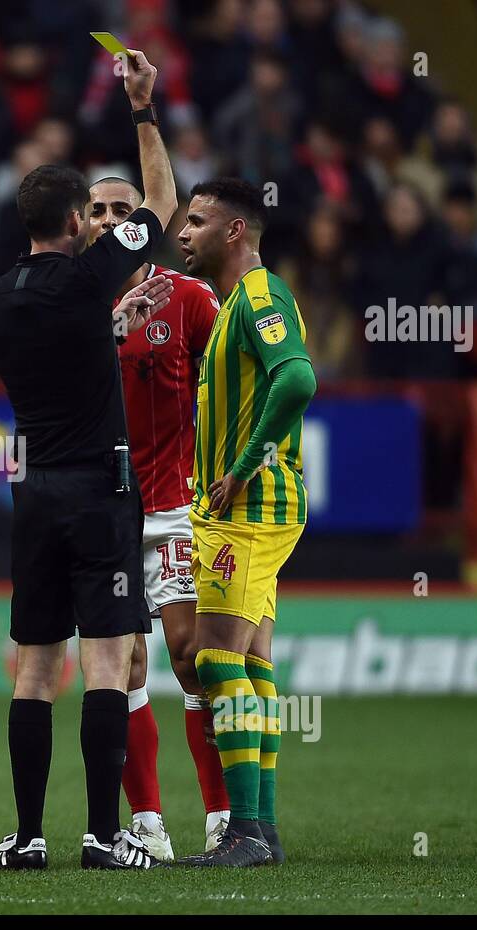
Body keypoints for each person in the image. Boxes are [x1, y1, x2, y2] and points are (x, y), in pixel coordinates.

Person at [0, 49, 177, 871]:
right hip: (102, 486)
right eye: (90, 218)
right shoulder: (93, 279)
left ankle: (27, 837)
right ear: (75, 223)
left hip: (34, 493)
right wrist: (140, 107)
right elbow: (161, 202)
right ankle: (102, 835)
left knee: (33, 671)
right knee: (104, 664)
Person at [85, 176, 229, 861]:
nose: (109, 219)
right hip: (105, 511)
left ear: (142, 220)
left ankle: (223, 817)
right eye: (97, 210)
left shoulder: (190, 298)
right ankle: (147, 823)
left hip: (174, 505)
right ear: (82, 224)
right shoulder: (73, 301)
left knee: (191, 657)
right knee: (125, 665)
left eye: (121, 208)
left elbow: (238, 376)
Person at [175, 177, 318, 867]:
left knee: (214, 658)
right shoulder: (235, 304)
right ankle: (260, 828)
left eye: (197, 221)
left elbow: (298, 378)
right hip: (254, 505)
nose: (183, 233)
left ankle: (242, 831)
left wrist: (244, 463)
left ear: (234, 232)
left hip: (251, 506)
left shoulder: (259, 294)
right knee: (253, 661)